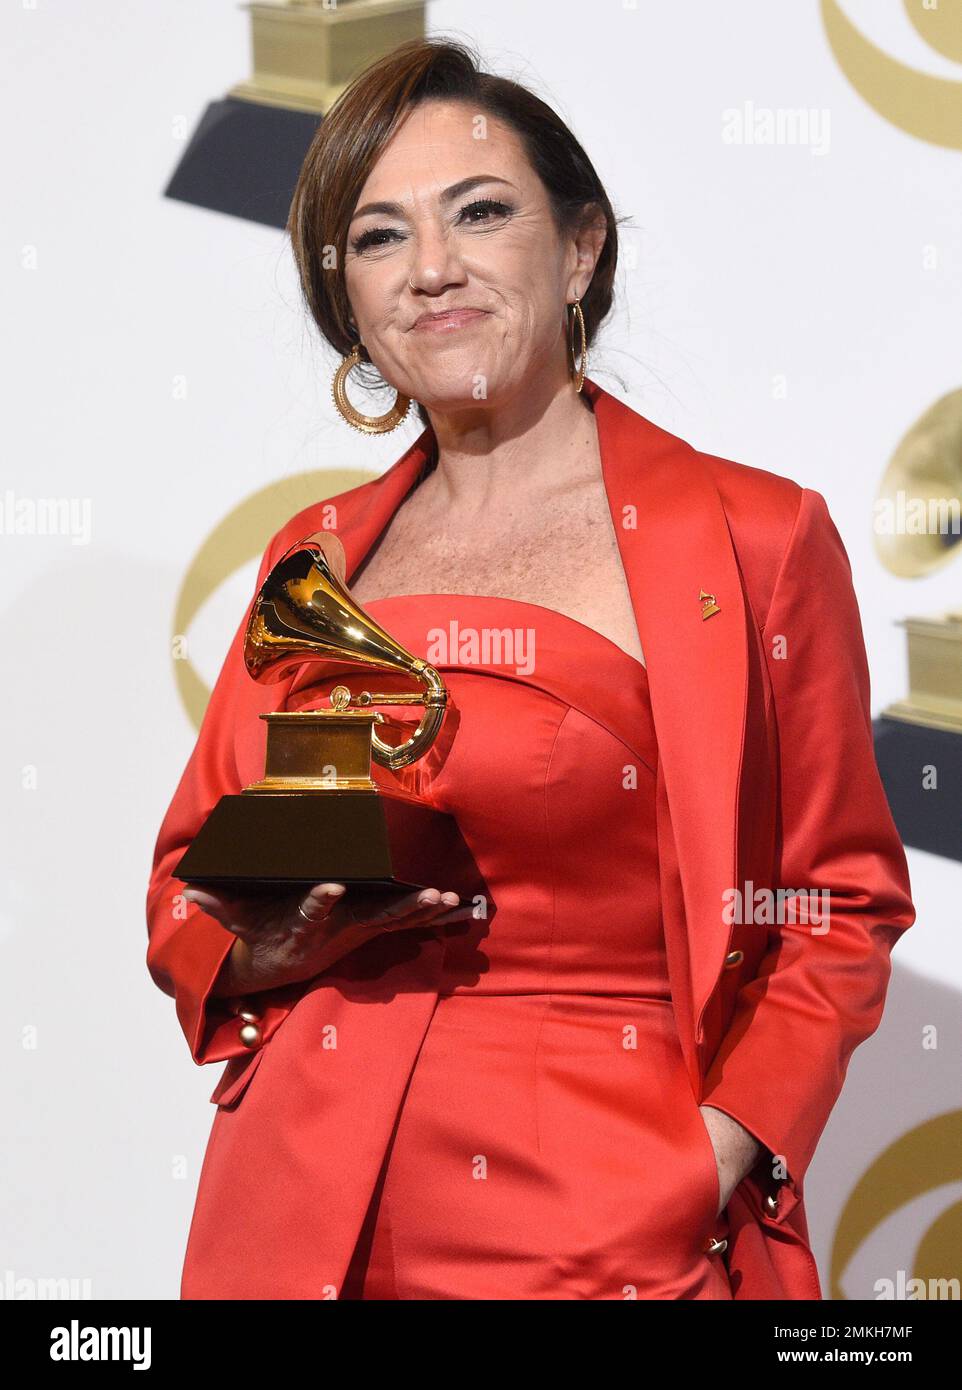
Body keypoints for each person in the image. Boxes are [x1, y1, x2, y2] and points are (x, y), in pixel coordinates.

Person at [145, 37, 916, 1300]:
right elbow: (184, 883)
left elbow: (831, 906)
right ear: (348, 298)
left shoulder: (753, 539)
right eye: (380, 237)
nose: (432, 268)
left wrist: (703, 1160)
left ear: (579, 249)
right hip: (293, 1211)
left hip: (603, 1224)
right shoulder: (313, 557)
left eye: (480, 213)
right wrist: (263, 953)